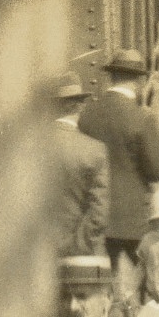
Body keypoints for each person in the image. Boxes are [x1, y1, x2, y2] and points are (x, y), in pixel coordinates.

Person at [78, 51, 159, 269]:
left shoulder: (87, 114)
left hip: (94, 217)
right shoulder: (143, 117)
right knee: (141, 287)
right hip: (133, 222)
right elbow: (157, 171)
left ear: (112, 77)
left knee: (101, 285)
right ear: (139, 80)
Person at [53, 73, 109, 257]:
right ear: (80, 106)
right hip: (76, 252)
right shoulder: (95, 150)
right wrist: (76, 246)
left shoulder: (28, 149)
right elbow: (99, 213)